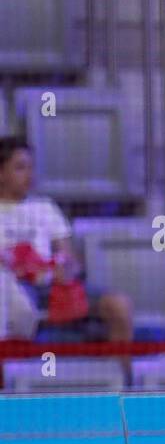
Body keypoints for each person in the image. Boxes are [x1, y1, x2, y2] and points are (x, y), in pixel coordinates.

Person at [0, 136, 135, 371]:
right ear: (1, 173)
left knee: (119, 305)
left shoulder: (45, 208)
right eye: (20, 167)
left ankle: (122, 388)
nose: (29, 174)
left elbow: (69, 258)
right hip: (9, 290)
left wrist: (66, 269)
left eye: (31, 167)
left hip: (51, 286)